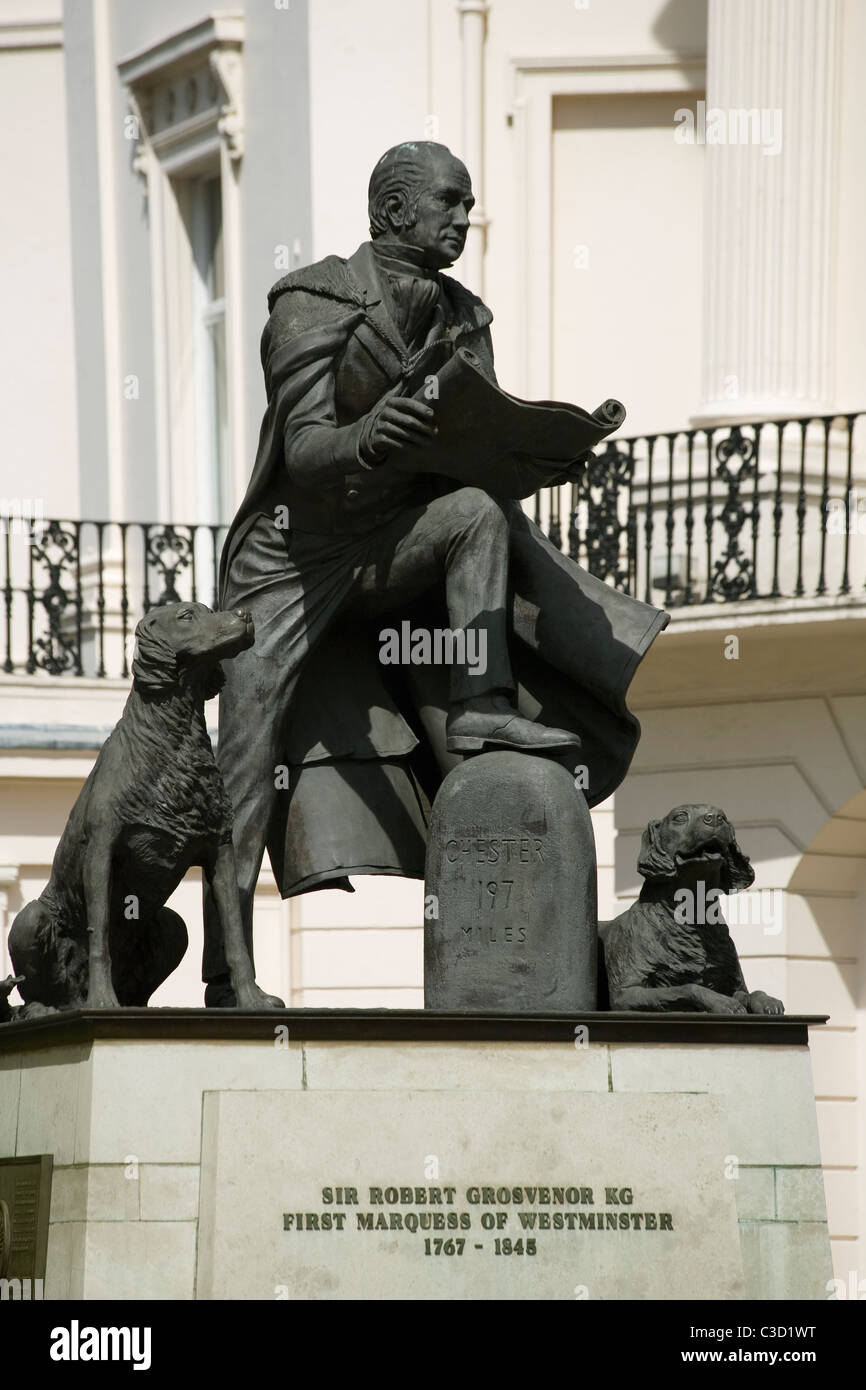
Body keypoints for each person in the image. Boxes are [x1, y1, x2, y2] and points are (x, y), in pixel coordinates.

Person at [202, 141, 668, 1006]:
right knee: (246, 759)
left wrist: (535, 456)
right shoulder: (311, 301)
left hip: (390, 546)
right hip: (290, 565)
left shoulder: (465, 317)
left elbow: (471, 443)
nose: (464, 219)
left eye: (469, 204)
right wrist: (369, 438)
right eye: (450, 203)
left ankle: (485, 710)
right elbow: (303, 452)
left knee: (477, 515)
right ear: (392, 212)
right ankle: (230, 974)